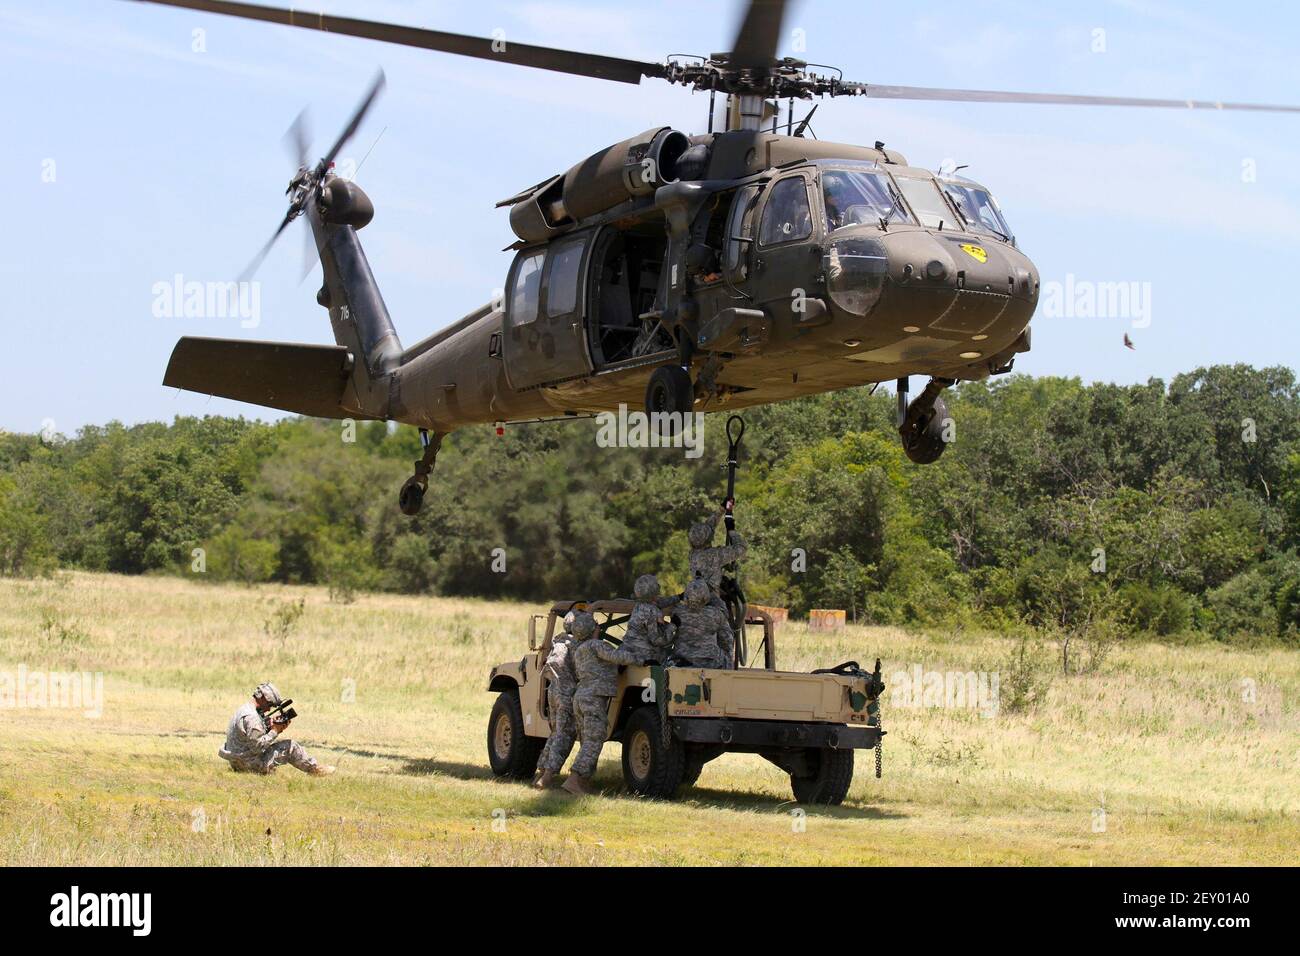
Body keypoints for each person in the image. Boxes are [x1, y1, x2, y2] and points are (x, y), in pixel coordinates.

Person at [218, 682, 334, 776]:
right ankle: (314, 770)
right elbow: (257, 748)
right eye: (269, 705)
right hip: (248, 764)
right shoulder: (252, 718)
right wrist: (275, 731)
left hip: (237, 761)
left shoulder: (244, 709)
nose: (269, 709)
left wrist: (269, 724)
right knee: (291, 747)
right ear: (262, 698)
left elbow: (249, 737)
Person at [563, 614, 621, 796]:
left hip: (581, 696)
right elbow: (620, 656)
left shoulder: (577, 647)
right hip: (594, 698)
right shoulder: (596, 646)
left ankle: (582, 782)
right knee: (594, 740)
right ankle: (573, 780)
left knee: (587, 740)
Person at [534, 611, 585, 789]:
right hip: (566, 692)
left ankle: (541, 771)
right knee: (565, 734)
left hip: (553, 690)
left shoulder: (559, 641)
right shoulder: (576, 645)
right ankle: (547, 776)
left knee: (555, 732)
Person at [600, 574, 677, 666]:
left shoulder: (639, 605)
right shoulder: (653, 612)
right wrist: (673, 625)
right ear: (654, 590)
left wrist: (678, 597)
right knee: (673, 656)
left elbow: (659, 602)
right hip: (644, 655)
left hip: (626, 651)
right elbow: (658, 640)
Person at [687, 502, 747, 614]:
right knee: (726, 626)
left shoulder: (692, 554)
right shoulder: (715, 555)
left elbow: (707, 528)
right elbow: (741, 548)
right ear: (708, 539)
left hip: (694, 599)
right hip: (712, 602)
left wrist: (722, 509)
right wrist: (731, 531)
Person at [667, 580, 733, 670]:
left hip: (682, 661)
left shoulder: (677, 612)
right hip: (709, 663)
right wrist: (713, 594)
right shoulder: (715, 614)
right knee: (726, 658)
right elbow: (727, 640)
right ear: (706, 597)